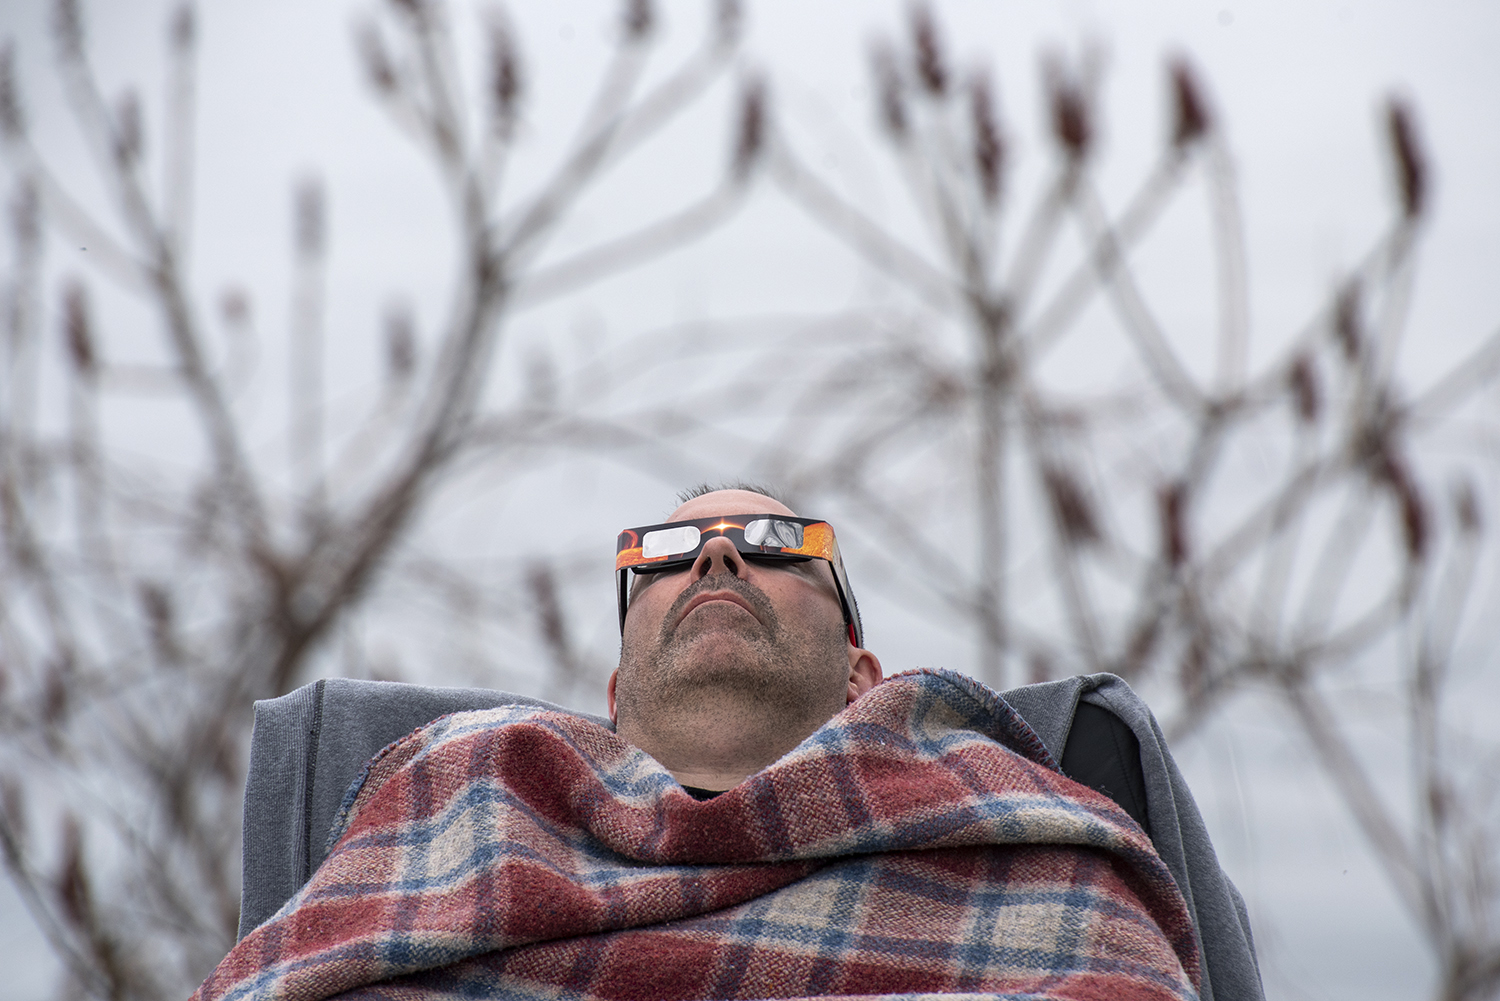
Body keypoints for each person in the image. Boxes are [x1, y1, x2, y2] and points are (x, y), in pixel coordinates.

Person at [196, 486, 1257, 1001]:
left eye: (773, 545)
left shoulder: (1026, 828)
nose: (712, 557)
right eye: (664, 553)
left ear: (861, 676)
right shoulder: (462, 790)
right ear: (612, 695)